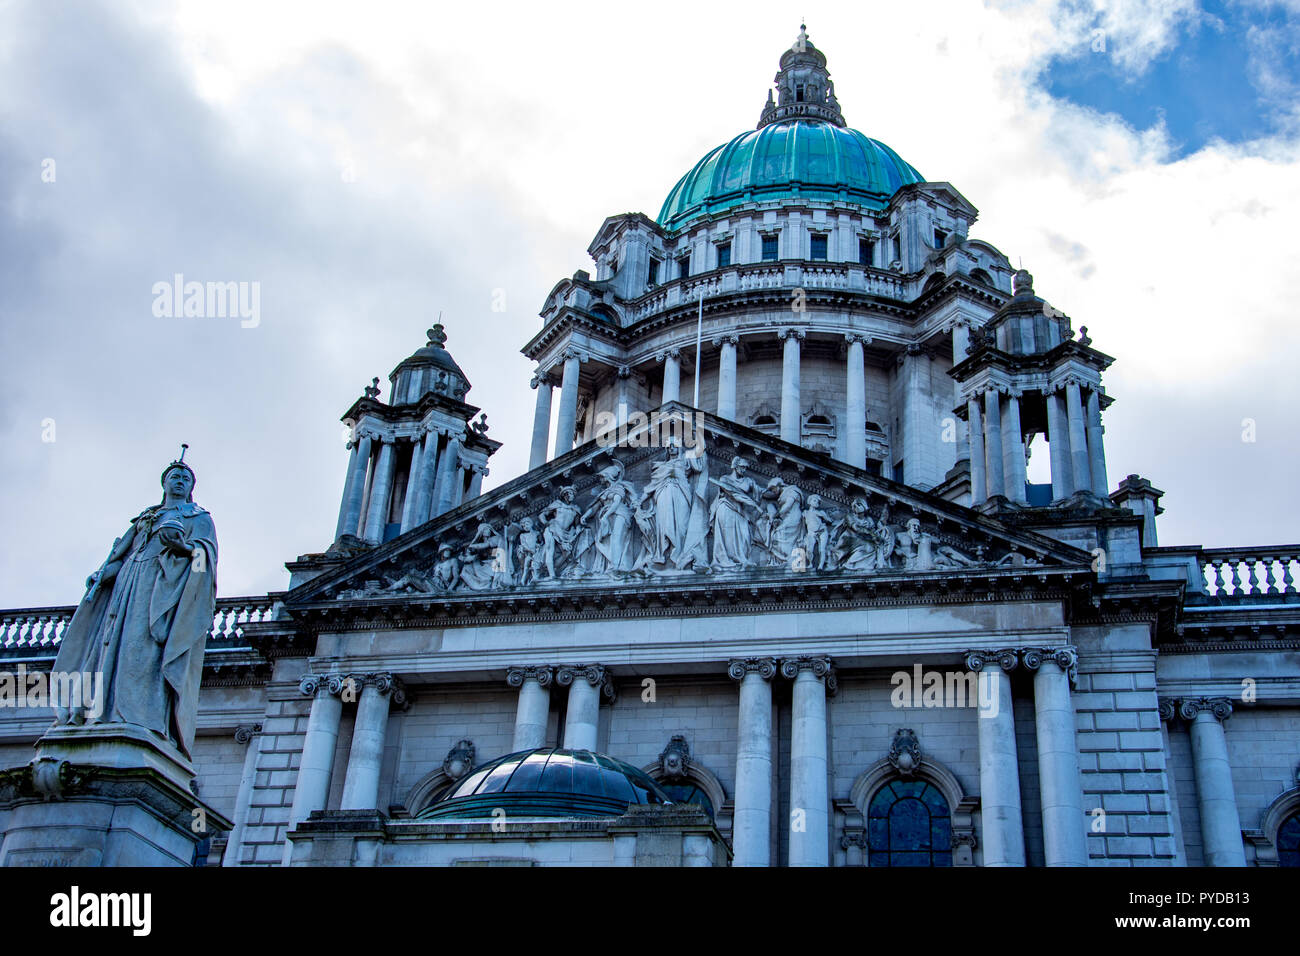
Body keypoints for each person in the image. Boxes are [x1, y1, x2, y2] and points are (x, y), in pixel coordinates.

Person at [51, 449, 217, 758]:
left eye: (185, 478)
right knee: (109, 649)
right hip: (128, 586)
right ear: (164, 483)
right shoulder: (146, 517)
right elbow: (125, 557)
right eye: (174, 476)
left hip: (161, 594)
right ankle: (103, 713)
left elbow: (203, 565)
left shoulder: (198, 519)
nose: (179, 481)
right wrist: (103, 574)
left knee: (143, 652)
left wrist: (183, 548)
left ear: (191, 486)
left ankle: (142, 717)